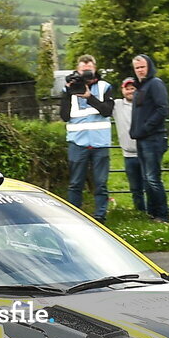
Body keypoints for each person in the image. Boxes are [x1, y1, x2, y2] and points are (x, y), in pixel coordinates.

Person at [60, 54, 114, 222]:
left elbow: (107, 111)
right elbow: (64, 116)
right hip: (78, 141)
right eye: (83, 71)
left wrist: (89, 97)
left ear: (95, 69)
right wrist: (69, 93)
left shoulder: (105, 87)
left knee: (101, 183)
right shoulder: (69, 89)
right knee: (75, 183)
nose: (86, 75)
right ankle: (76, 218)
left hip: (100, 142)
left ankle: (100, 218)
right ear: (77, 70)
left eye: (89, 71)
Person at [128, 54, 169, 222]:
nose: (140, 70)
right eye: (137, 68)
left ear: (149, 67)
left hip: (154, 138)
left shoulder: (155, 84)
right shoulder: (140, 87)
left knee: (153, 178)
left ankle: (163, 215)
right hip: (142, 139)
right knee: (147, 179)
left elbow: (162, 109)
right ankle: (153, 214)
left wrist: (145, 128)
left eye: (142, 67)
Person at [112, 77, 146, 213]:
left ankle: (153, 212)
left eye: (133, 88)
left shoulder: (144, 104)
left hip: (145, 151)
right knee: (135, 188)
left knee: (150, 184)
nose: (130, 91)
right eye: (127, 88)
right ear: (122, 90)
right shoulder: (117, 105)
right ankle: (140, 213)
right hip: (128, 153)